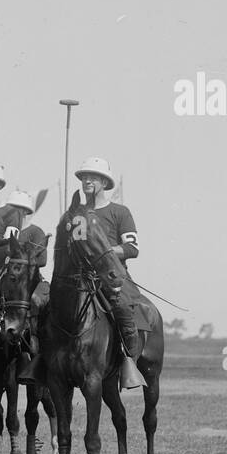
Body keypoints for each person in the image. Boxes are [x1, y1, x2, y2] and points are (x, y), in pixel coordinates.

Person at [74, 157, 145, 390]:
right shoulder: (79, 214)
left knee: (122, 307)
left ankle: (128, 360)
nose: (87, 181)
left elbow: (132, 249)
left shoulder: (120, 212)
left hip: (113, 276)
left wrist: (104, 251)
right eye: (84, 177)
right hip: (81, 277)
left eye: (93, 177)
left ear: (104, 182)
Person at [3, 189, 50, 384]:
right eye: (12, 208)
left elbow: (43, 260)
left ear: (25, 211)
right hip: (9, 280)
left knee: (34, 300)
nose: (14, 212)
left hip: (31, 282)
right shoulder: (5, 233)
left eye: (18, 209)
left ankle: (35, 347)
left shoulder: (35, 231)